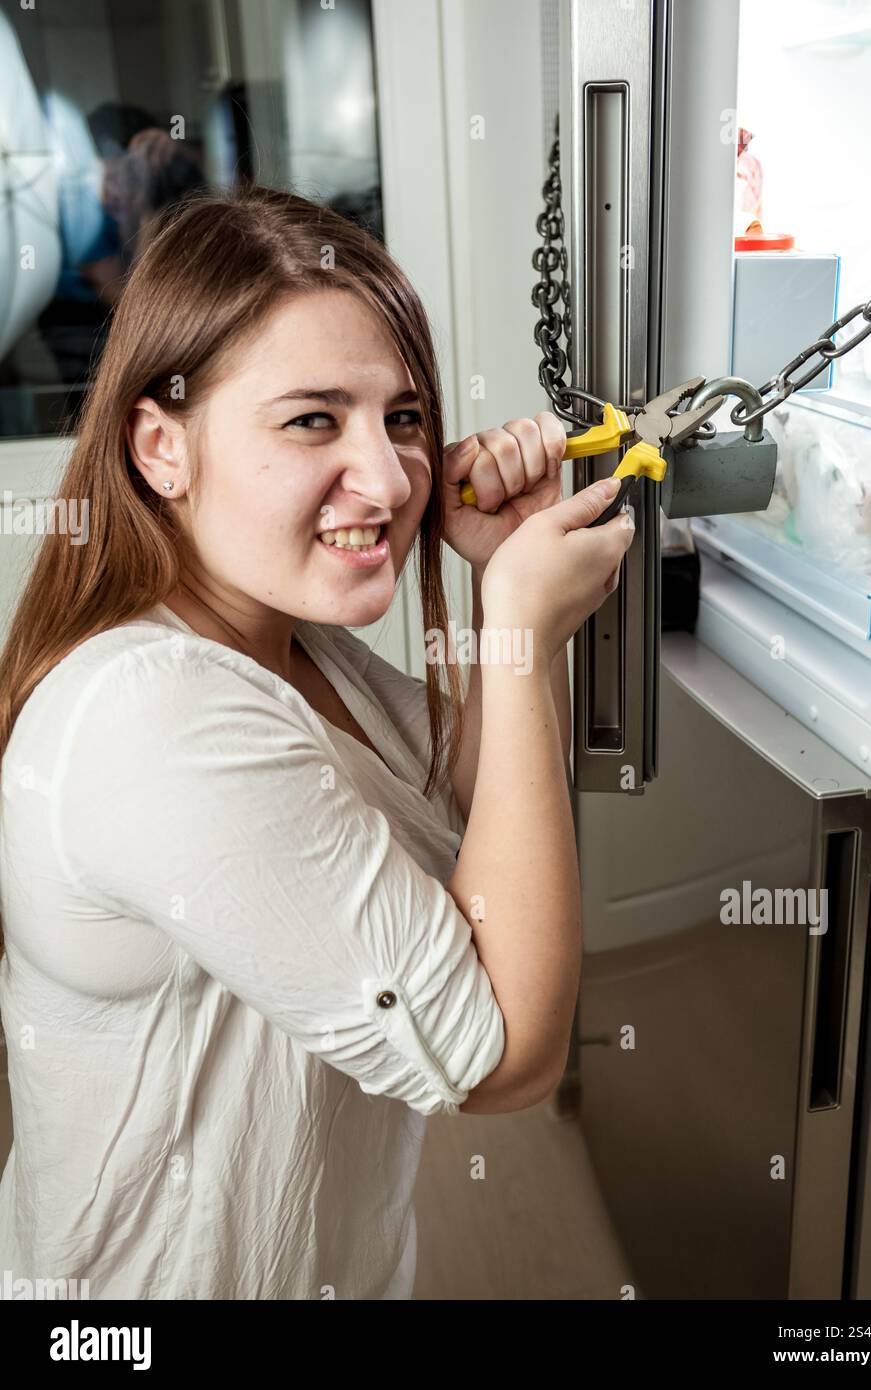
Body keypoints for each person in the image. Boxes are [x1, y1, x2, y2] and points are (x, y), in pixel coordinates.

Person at [0, 184, 634, 1300]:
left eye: (400, 417)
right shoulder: (158, 717)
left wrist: (502, 586)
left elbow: (467, 824)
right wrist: (525, 633)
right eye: (311, 419)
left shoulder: (295, 650)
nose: (389, 480)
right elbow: (504, 1051)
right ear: (162, 447)